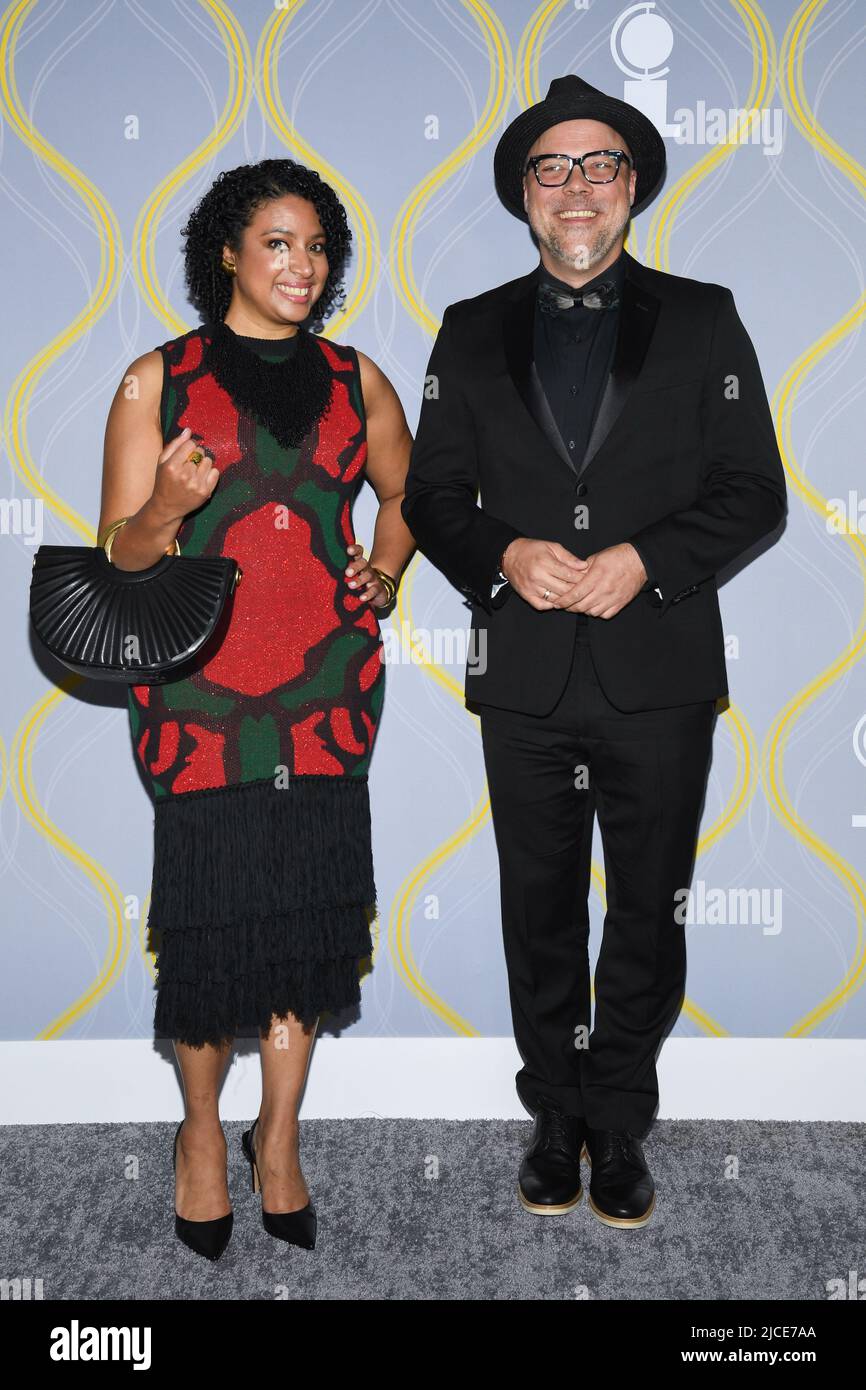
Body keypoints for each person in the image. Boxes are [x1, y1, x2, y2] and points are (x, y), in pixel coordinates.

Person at [401, 75, 786, 1228]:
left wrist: (648, 559)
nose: (576, 187)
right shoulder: (469, 329)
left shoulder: (704, 316)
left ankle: (616, 1121)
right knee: (538, 907)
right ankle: (552, 1112)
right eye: (551, 168)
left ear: (631, 188)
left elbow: (751, 492)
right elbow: (428, 495)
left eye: (600, 164)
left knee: (645, 907)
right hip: (521, 673)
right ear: (523, 194)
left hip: (658, 673)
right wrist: (504, 553)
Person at [98, 158, 415, 1259]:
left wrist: (385, 570)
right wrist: (168, 506)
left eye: (318, 244)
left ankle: (276, 1139)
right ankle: (199, 1133)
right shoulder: (158, 378)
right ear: (225, 252)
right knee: (212, 922)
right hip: (198, 693)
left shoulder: (355, 377)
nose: (303, 263)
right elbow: (119, 552)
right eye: (277, 241)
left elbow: (404, 491)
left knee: (305, 918)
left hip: (327, 683)